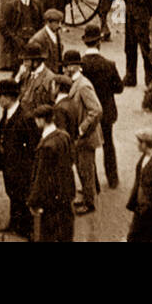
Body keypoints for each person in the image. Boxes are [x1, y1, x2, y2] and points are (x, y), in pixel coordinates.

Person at [80, 24, 124, 190]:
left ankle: (94, 183)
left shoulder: (81, 65)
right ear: (99, 43)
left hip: (87, 113)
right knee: (108, 144)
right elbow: (119, 88)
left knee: (89, 147)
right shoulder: (109, 64)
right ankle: (112, 179)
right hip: (106, 111)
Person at [0, 78, 38, 238]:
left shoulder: (25, 117)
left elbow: (33, 146)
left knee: (22, 196)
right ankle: (15, 223)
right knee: (12, 194)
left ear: (9, 97)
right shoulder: (8, 112)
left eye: (1, 96)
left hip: (21, 168)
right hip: (9, 165)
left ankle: (27, 229)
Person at [61, 49, 103, 214]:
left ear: (74, 67)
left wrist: (82, 128)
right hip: (82, 137)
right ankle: (87, 196)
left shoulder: (83, 86)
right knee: (82, 167)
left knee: (85, 170)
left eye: (66, 66)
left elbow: (96, 110)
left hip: (87, 137)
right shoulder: (76, 83)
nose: (64, 70)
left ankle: (89, 203)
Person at [28, 104, 75, 242]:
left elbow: (41, 177)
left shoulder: (46, 146)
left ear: (42, 120)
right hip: (66, 193)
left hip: (51, 198)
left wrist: (33, 201)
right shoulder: (64, 136)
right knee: (65, 232)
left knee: (48, 234)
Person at [121, 0, 152, 88]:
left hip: (143, 26)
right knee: (129, 50)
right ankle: (130, 78)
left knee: (146, 52)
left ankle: (150, 79)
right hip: (130, 24)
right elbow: (126, 2)